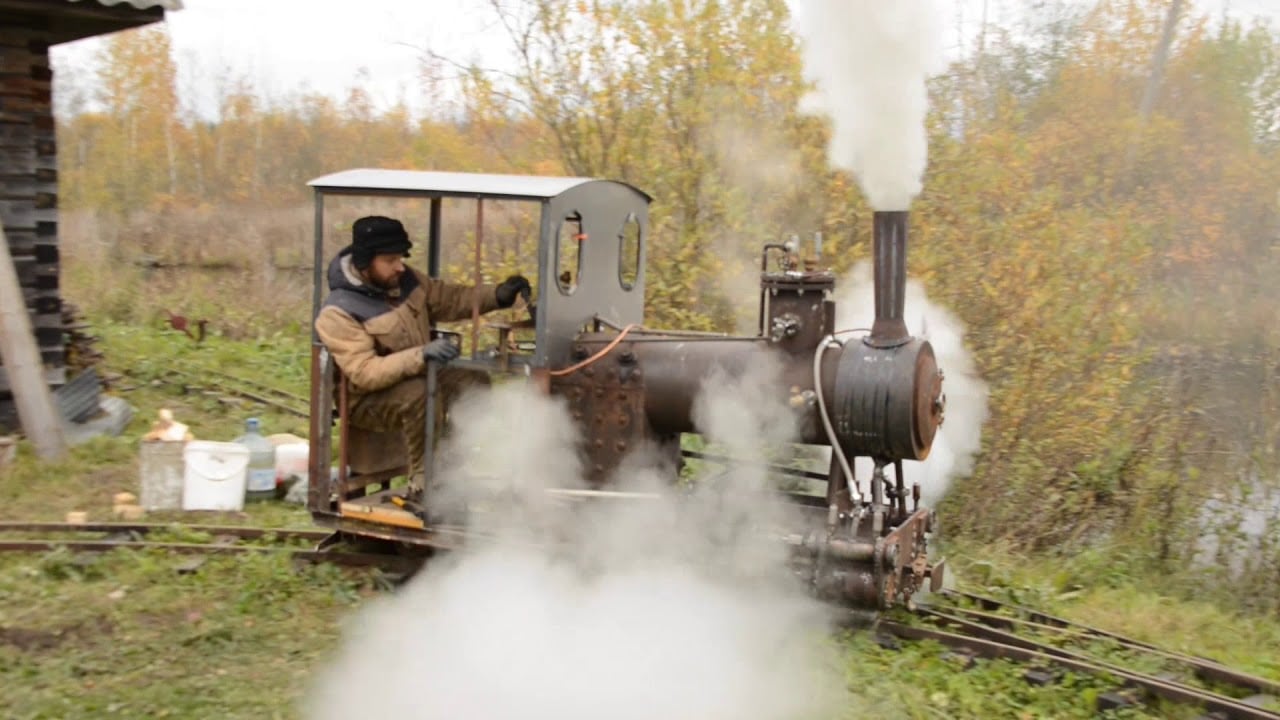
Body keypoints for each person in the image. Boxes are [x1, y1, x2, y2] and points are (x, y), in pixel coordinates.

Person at [314, 215, 530, 499]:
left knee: (472, 379)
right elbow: (365, 372)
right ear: (366, 262)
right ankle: (424, 483)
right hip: (365, 400)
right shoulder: (338, 312)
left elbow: (450, 299)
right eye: (390, 260)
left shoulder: (406, 281)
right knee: (419, 394)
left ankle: (451, 467)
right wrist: (421, 354)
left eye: (400, 258)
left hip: (414, 374)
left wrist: (498, 296)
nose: (399, 266)